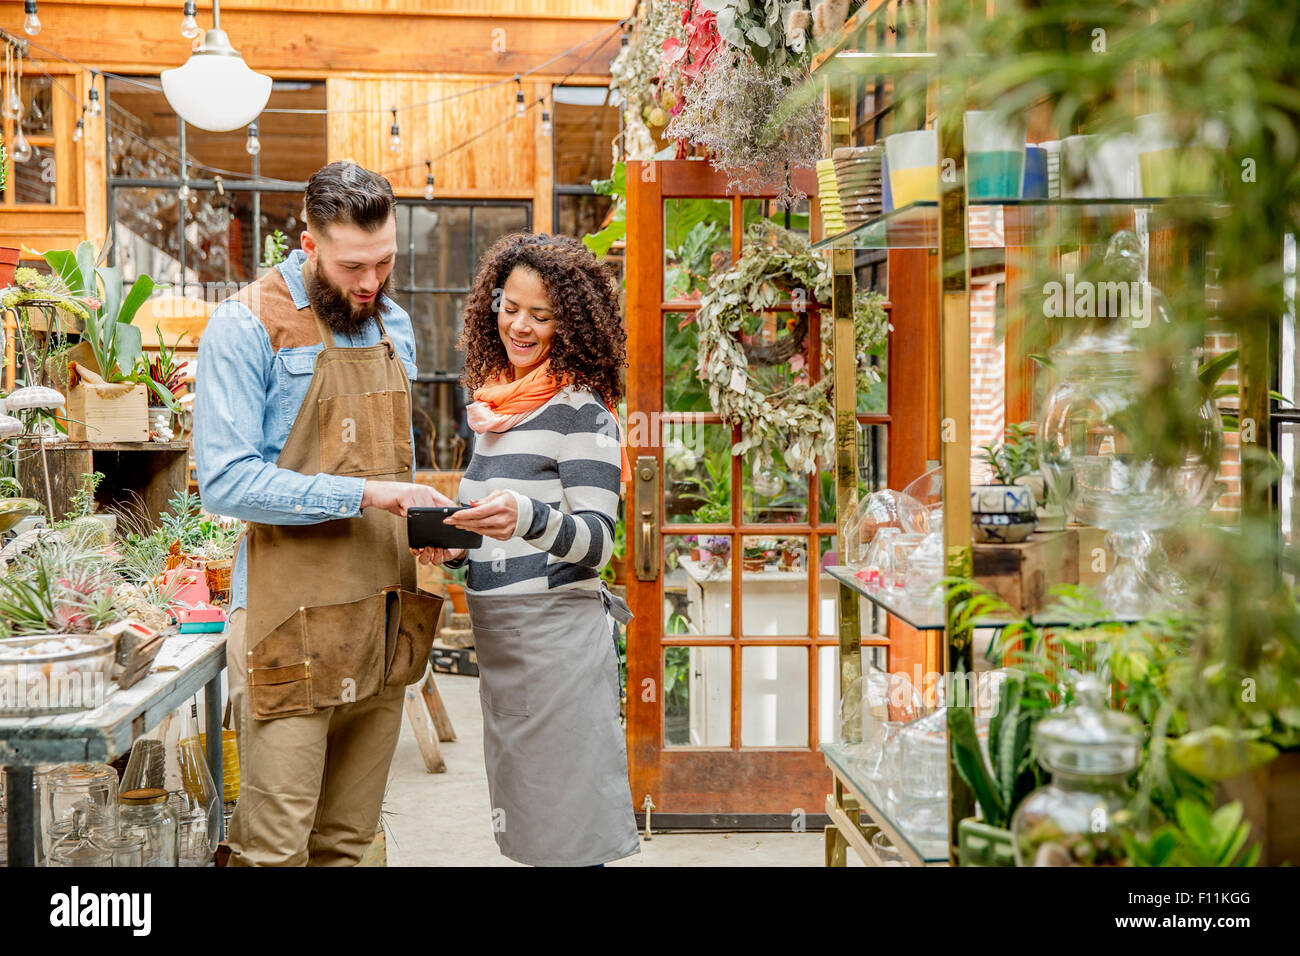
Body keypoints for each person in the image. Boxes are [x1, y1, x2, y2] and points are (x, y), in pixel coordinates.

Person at [194, 161, 452, 866]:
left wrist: (424, 526)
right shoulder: (245, 324)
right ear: (310, 246)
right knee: (275, 849)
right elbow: (223, 481)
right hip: (288, 626)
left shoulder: (394, 324)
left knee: (350, 841)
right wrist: (366, 495)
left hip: (383, 615)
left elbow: (390, 466)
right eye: (351, 266)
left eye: (384, 262)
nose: (370, 283)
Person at [415, 233, 640, 867]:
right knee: (532, 835)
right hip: (504, 643)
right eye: (510, 307)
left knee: (570, 834)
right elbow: (495, 526)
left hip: (557, 648)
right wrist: (456, 547)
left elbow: (596, 542)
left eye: (541, 315)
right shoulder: (495, 412)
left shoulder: (582, 415)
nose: (521, 325)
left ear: (570, 324)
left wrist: (527, 516)